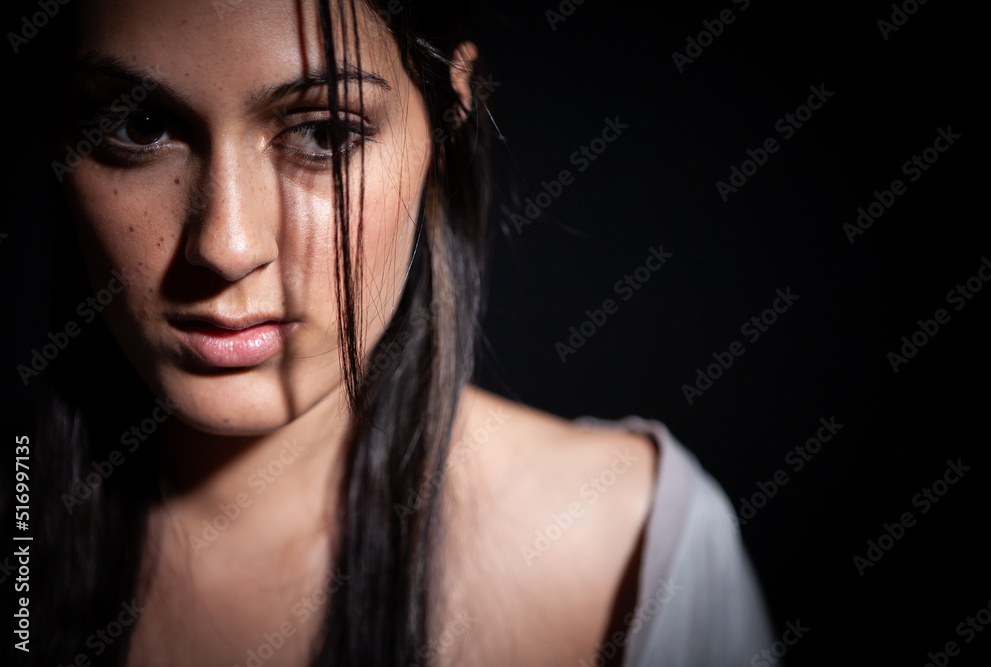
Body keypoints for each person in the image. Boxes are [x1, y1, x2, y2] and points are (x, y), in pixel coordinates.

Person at [9, 0, 774, 664]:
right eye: (138, 126)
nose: (227, 245)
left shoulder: (632, 553)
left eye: (323, 133)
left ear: (448, 117)